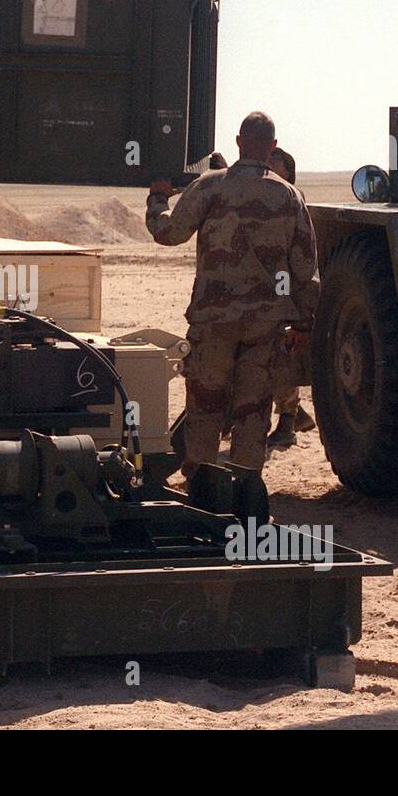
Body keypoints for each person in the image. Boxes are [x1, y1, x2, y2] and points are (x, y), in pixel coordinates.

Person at [146, 113, 319, 522]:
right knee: (253, 410)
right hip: (265, 326)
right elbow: (305, 270)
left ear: (239, 142)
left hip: (213, 322)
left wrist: (157, 199)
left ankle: (204, 498)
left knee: (206, 405)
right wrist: (304, 324)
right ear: (273, 147)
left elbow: (168, 233)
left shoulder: (209, 187)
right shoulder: (290, 197)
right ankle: (246, 500)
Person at [265, 146, 317, 449]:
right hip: (263, 293)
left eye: (277, 161)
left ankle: (288, 422)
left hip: (286, 293)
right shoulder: (262, 194)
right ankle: (293, 415)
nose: (270, 165)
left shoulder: (292, 201)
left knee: (282, 361)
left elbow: (303, 259)